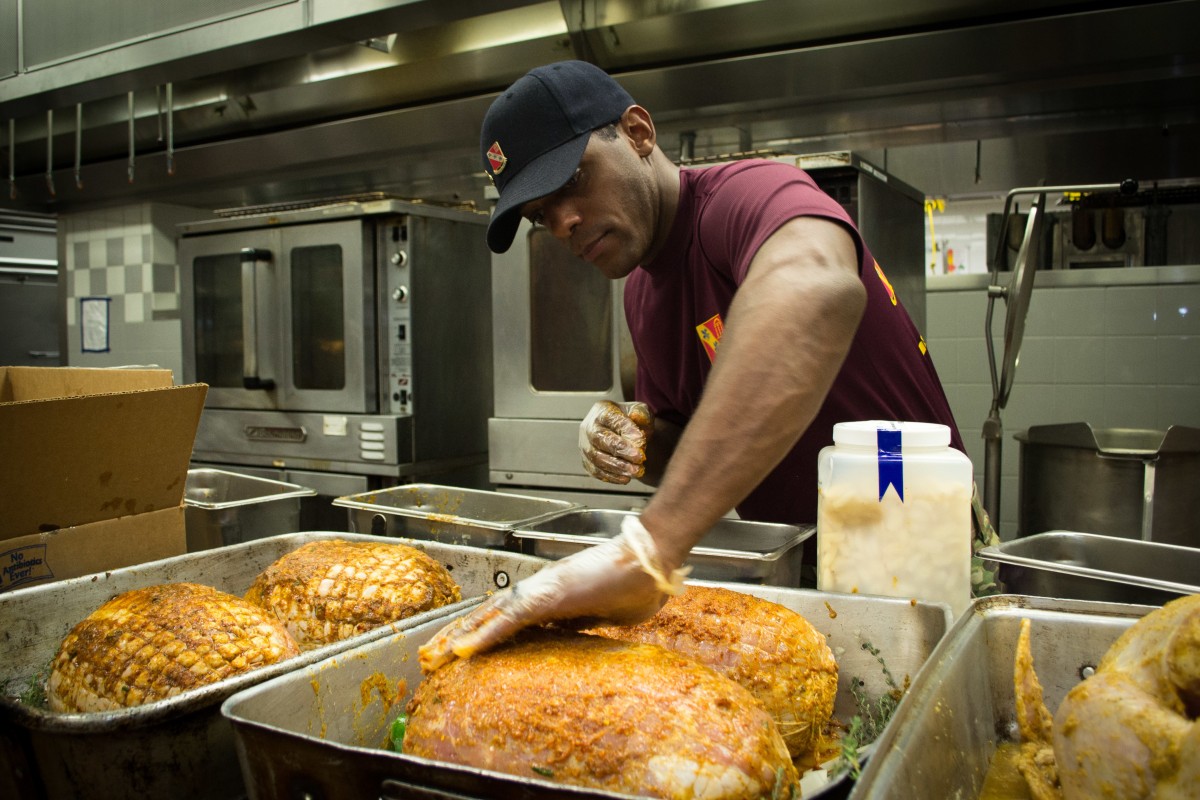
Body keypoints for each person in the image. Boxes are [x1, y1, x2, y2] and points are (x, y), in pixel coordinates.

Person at [419, 60, 983, 672]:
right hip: (809, 574)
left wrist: (650, 545)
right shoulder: (641, 296)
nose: (563, 222)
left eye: (572, 180)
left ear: (638, 133)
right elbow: (683, 440)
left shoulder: (745, 197)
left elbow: (816, 288)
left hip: (921, 551)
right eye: (540, 215)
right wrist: (635, 438)